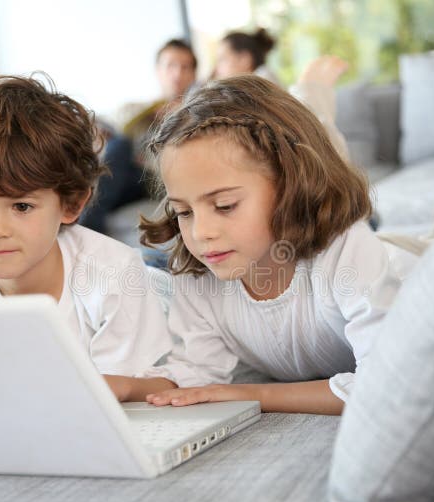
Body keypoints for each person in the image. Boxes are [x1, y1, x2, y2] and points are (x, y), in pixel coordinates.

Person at [136, 75, 418, 415]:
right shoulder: (202, 275)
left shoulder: (345, 251)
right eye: (184, 211)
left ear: (289, 188)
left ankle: (315, 93)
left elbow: (387, 383)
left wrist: (251, 395)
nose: (201, 232)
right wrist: (120, 387)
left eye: (224, 205)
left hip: (414, 259)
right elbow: (194, 374)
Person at [0, 73, 179, 402]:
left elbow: (142, 391)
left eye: (21, 206)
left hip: (165, 306)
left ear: (71, 205)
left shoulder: (115, 276)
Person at [79, 39, 198, 234]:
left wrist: (178, 118)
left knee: (121, 147)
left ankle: (86, 228)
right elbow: (106, 123)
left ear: (193, 74)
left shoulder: (196, 114)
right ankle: (83, 223)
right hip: (123, 178)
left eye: (185, 67)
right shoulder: (137, 108)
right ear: (158, 70)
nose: (177, 74)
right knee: (118, 145)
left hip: (153, 180)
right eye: (171, 66)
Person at [213, 27, 280, 85]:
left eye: (222, 59)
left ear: (244, 59)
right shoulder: (262, 78)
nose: (216, 69)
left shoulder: (259, 86)